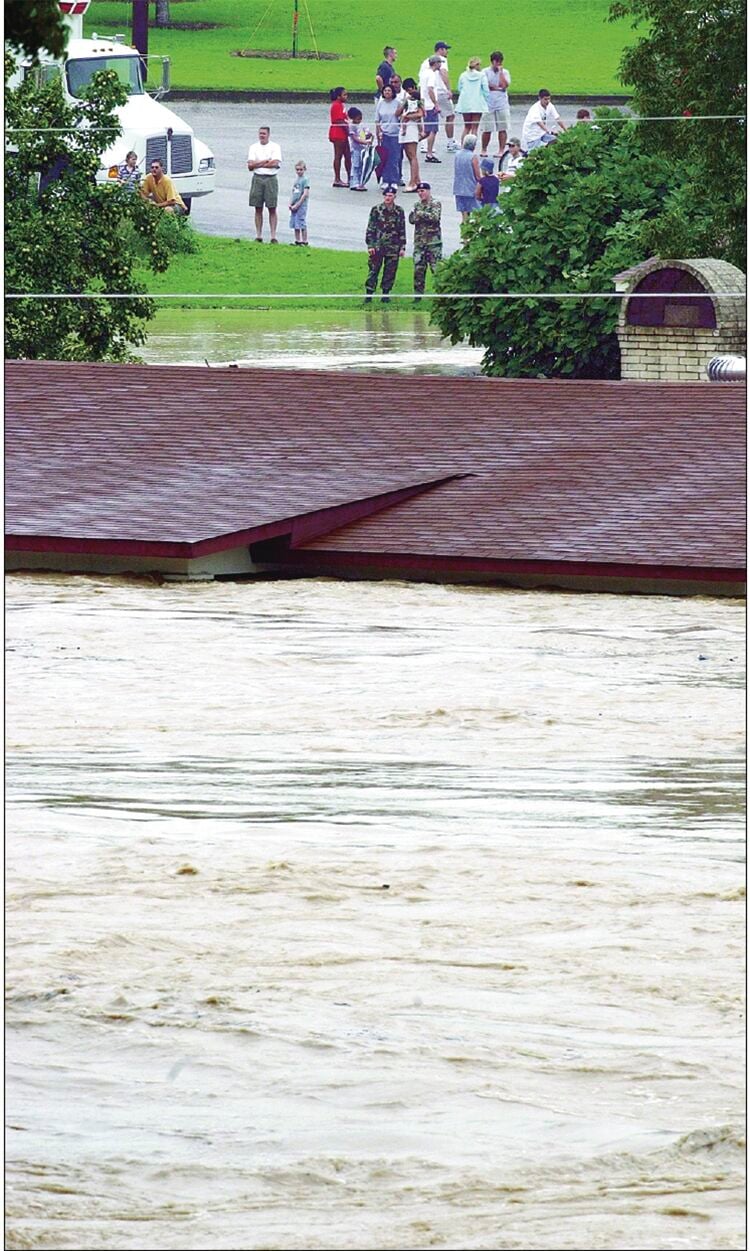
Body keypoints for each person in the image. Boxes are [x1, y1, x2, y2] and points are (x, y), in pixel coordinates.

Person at [364, 183, 406, 303]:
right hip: (378, 245)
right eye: (386, 195)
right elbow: (371, 228)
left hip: (393, 246)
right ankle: (369, 294)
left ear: (394, 197)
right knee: (373, 270)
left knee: (390, 270)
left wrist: (402, 247)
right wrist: (370, 245)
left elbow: (402, 229)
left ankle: (385, 294)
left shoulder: (399, 211)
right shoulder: (376, 210)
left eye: (390, 195)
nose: (388, 198)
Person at [419, 41, 457, 152]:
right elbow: (444, 73)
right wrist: (449, 89)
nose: (447, 52)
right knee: (450, 116)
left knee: (428, 119)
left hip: (425, 94)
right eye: (445, 49)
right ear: (440, 50)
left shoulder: (425, 62)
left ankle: (424, 143)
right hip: (439, 92)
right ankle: (450, 142)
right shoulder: (441, 60)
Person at [246, 125, 282, 242]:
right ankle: (259, 235)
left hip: (270, 178)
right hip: (257, 178)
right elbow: (250, 166)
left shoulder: (275, 147)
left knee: (272, 207)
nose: (262, 136)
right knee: (258, 207)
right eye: (260, 133)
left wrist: (258, 164)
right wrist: (265, 161)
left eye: (264, 134)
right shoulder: (253, 147)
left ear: (268, 135)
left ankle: (273, 236)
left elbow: (275, 163)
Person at [408, 181, 442, 298]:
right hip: (419, 242)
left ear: (428, 191)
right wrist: (419, 214)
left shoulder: (435, 203)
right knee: (418, 269)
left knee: (436, 269)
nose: (420, 194)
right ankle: (418, 295)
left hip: (433, 243)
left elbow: (434, 217)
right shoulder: (417, 205)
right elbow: (412, 219)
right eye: (418, 191)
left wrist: (421, 214)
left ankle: (441, 293)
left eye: (422, 191)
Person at [480, 51, 511, 160]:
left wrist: (501, 73)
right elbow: (485, 85)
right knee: (487, 128)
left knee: (502, 128)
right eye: (497, 62)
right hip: (488, 104)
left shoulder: (505, 72)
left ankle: (501, 150)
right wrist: (495, 87)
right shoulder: (485, 72)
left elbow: (504, 85)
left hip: (502, 104)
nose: (498, 64)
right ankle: (484, 149)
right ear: (492, 61)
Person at [397, 78, 424, 193]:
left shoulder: (418, 99)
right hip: (406, 128)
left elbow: (420, 114)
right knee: (409, 155)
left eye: (410, 89)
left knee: (412, 155)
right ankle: (417, 180)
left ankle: (413, 182)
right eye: (407, 90)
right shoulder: (406, 100)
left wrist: (407, 117)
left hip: (412, 128)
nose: (409, 92)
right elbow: (398, 113)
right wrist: (404, 106)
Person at [455, 58, 490, 142]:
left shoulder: (463, 75)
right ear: (477, 65)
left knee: (467, 127)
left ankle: (463, 146)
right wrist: (485, 99)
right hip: (477, 103)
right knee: (474, 128)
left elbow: (459, 88)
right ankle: (472, 147)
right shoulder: (482, 76)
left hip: (465, 103)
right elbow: (486, 90)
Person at [375, 84, 401, 186]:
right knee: (384, 158)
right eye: (385, 91)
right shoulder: (380, 104)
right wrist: (379, 133)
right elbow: (377, 120)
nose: (387, 92)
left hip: (395, 134)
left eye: (389, 91)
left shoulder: (397, 103)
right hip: (384, 134)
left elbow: (401, 118)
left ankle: (394, 180)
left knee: (394, 158)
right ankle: (385, 179)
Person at [453, 134, 481, 223]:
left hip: (458, 188)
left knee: (464, 215)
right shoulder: (473, 156)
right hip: (470, 188)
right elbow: (477, 176)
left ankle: (465, 235)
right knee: (477, 212)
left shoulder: (457, 154)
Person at [421, 56, 444, 163]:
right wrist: (436, 104)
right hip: (430, 106)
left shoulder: (424, 73)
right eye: (440, 63)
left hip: (425, 104)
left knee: (426, 132)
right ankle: (429, 153)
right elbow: (430, 89)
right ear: (436, 63)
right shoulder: (431, 75)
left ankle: (408, 144)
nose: (441, 65)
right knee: (432, 130)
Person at [329, 87, 351, 187]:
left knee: (347, 155)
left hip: (342, 132)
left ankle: (350, 177)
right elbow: (339, 120)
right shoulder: (336, 105)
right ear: (338, 96)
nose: (346, 96)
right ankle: (337, 179)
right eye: (344, 95)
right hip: (338, 132)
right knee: (338, 155)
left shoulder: (340, 105)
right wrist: (348, 130)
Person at [347, 107, 373, 191]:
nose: (360, 120)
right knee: (356, 165)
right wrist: (364, 142)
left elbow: (365, 135)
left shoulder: (362, 126)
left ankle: (361, 182)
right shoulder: (352, 126)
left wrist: (368, 136)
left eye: (360, 118)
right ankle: (354, 182)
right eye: (358, 118)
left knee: (362, 165)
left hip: (363, 149)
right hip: (355, 149)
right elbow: (354, 138)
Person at [288, 161, 310, 245]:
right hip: (294, 204)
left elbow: (305, 194)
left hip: (301, 205)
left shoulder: (305, 180)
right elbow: (293, 192)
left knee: (301, 222)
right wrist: (290, 203)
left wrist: (298, 204)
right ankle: (297, 240)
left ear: (304, 169)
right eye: (297, 170)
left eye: (301, 169)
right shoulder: (296, 180)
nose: (299, 171)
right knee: (295, 222)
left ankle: (304, 241)